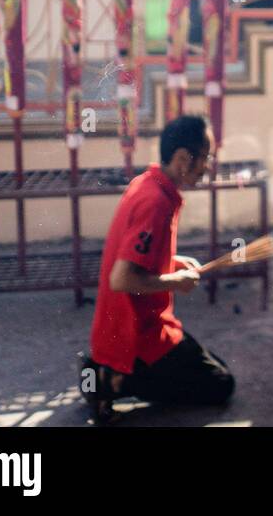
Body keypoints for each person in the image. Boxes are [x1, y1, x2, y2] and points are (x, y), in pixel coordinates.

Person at [80, 115, 235, 422]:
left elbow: (139, 258)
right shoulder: (156, 202)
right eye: (205, 158)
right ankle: (112, 379)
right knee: (221, 384)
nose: (207, 166)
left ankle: (110, 371)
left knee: (212, 367)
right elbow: (122, 279)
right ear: (181, 159)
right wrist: (176, 281)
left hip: (145, 324)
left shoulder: (148, 184)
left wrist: (175, 263)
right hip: (137, 335)